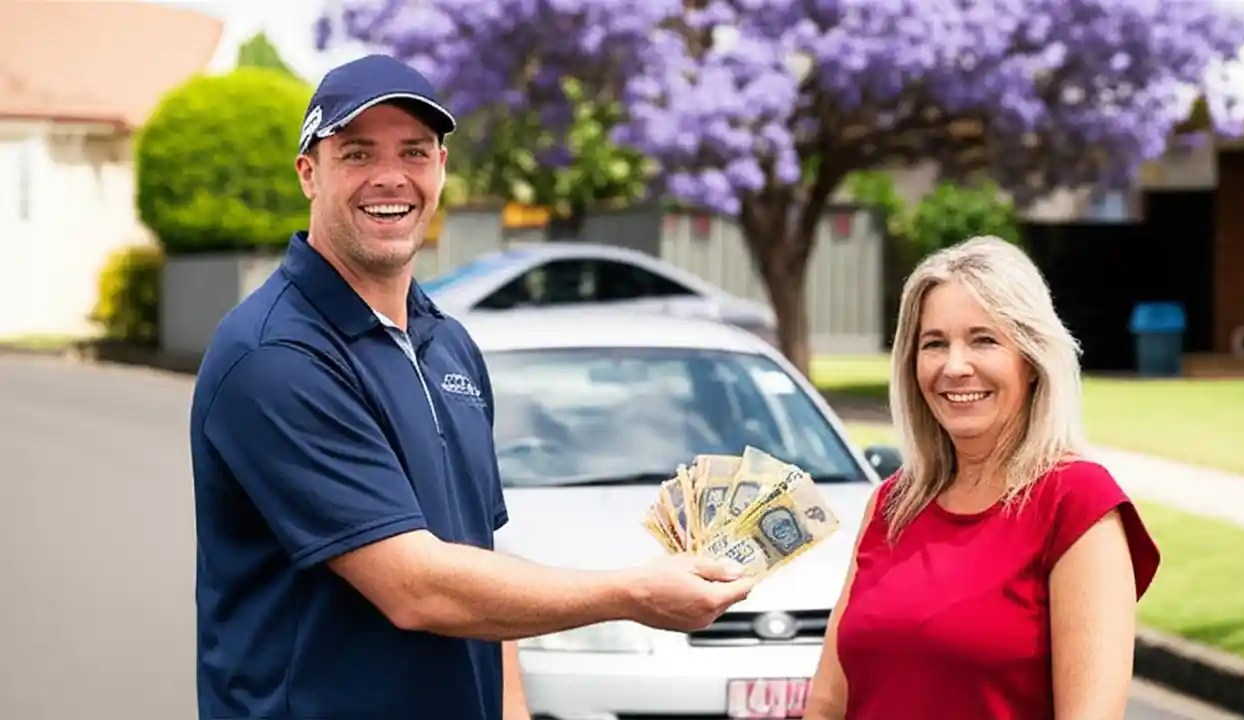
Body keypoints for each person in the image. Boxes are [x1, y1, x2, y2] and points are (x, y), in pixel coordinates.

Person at [188, 53, 757, 720]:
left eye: (415, 152)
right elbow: (417, 589)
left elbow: (480, 560)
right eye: (357, 153)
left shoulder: (446, 342)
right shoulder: (276, 355)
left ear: (441, 171)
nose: (390, 177)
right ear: (309, 173)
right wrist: (631, 593)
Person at [804, 236, 1161, 720]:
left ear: (1032, 361)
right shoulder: (892, 503)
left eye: (983, 340)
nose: (954, 367)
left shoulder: (1078, 504)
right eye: (934, 344)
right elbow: (827, 705)